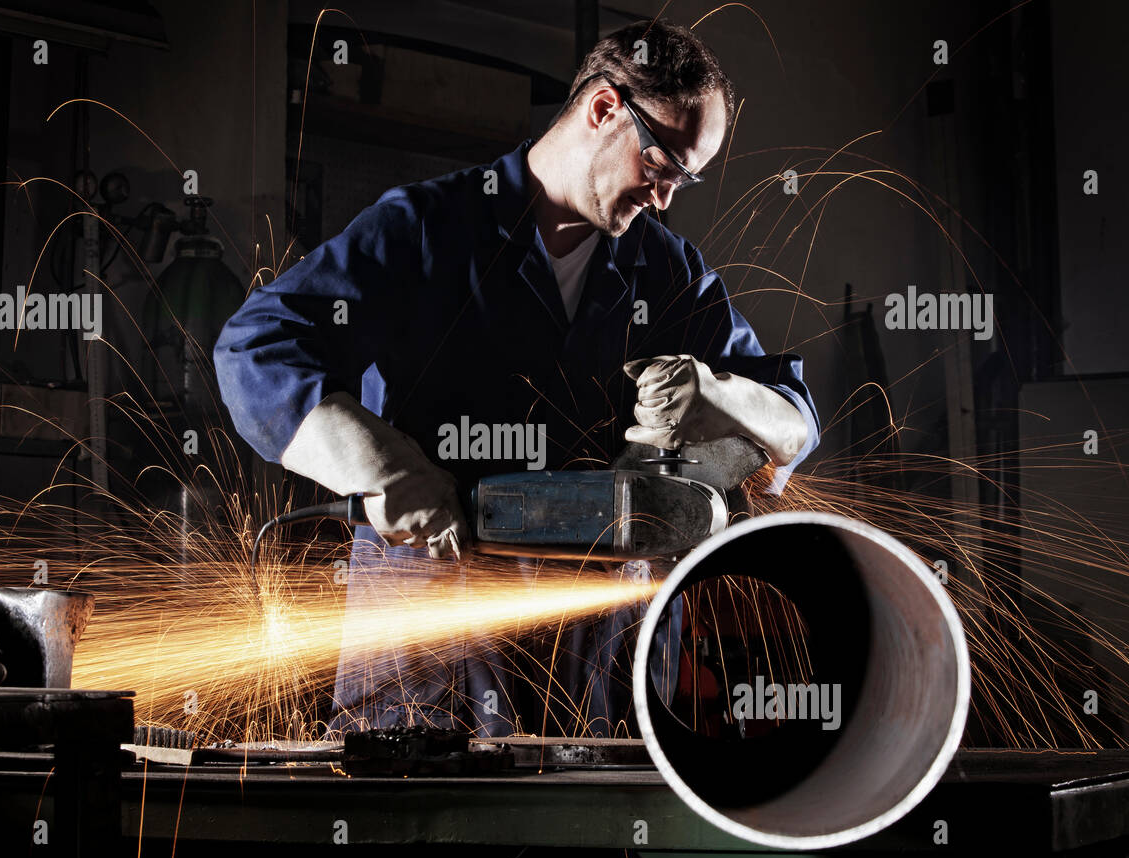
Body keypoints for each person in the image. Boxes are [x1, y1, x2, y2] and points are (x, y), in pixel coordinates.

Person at [215, 20, 819, 737]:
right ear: (603, 109)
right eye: (661, 166)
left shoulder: (667, 274)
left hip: (605, 652)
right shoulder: (427, 231)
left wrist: (720, 397)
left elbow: (795, 421)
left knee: (603, 843)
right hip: (432, 630)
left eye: (683, 180)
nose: (664, 198)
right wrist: (375, 466)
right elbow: (255, 347)